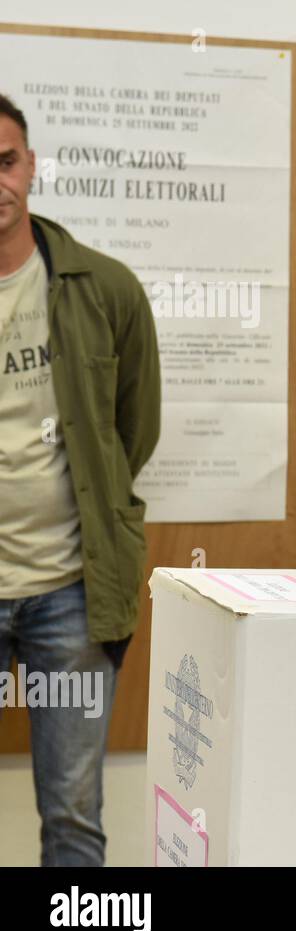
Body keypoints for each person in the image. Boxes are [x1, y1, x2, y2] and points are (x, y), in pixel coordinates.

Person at [0, 93, 161, 864]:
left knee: (72, 816)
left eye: (5, 162)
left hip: (70, 594)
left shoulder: (104, 289)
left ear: (30, 166)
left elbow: (132, 432)